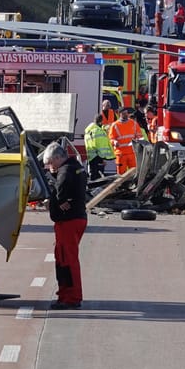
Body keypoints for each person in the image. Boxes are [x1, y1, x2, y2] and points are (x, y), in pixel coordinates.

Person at [42, 141, 87, 310]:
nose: (50, 167)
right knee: (65, 258)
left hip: (68, 221)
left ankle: (71, 297)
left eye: (51, 163)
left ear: (58, 158)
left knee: (67, 260)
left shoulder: (66, 171)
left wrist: (56, 201)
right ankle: (66, 294)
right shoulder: (76, 167)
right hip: (76, 218)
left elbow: (60, 192)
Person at [108, 107, 147, 174]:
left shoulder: (133, 123)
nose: (126, 115)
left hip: (132, 152)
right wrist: (114, 142)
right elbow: (111, 138)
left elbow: (139, 136)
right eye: (124, 113)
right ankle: (122, 184)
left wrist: (138, 140)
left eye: (126, 113)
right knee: (121, 175)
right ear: (120, 114)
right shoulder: (114, 125)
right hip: (121, 154)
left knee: (134, 172)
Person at [82, 114, 114, 179]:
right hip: (98, 157)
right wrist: (102, 159)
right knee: (98, 177)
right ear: (101, 121)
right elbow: (100, 145)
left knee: (93, 175)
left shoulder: (89, 130)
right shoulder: (98, 131)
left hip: (91, 156)